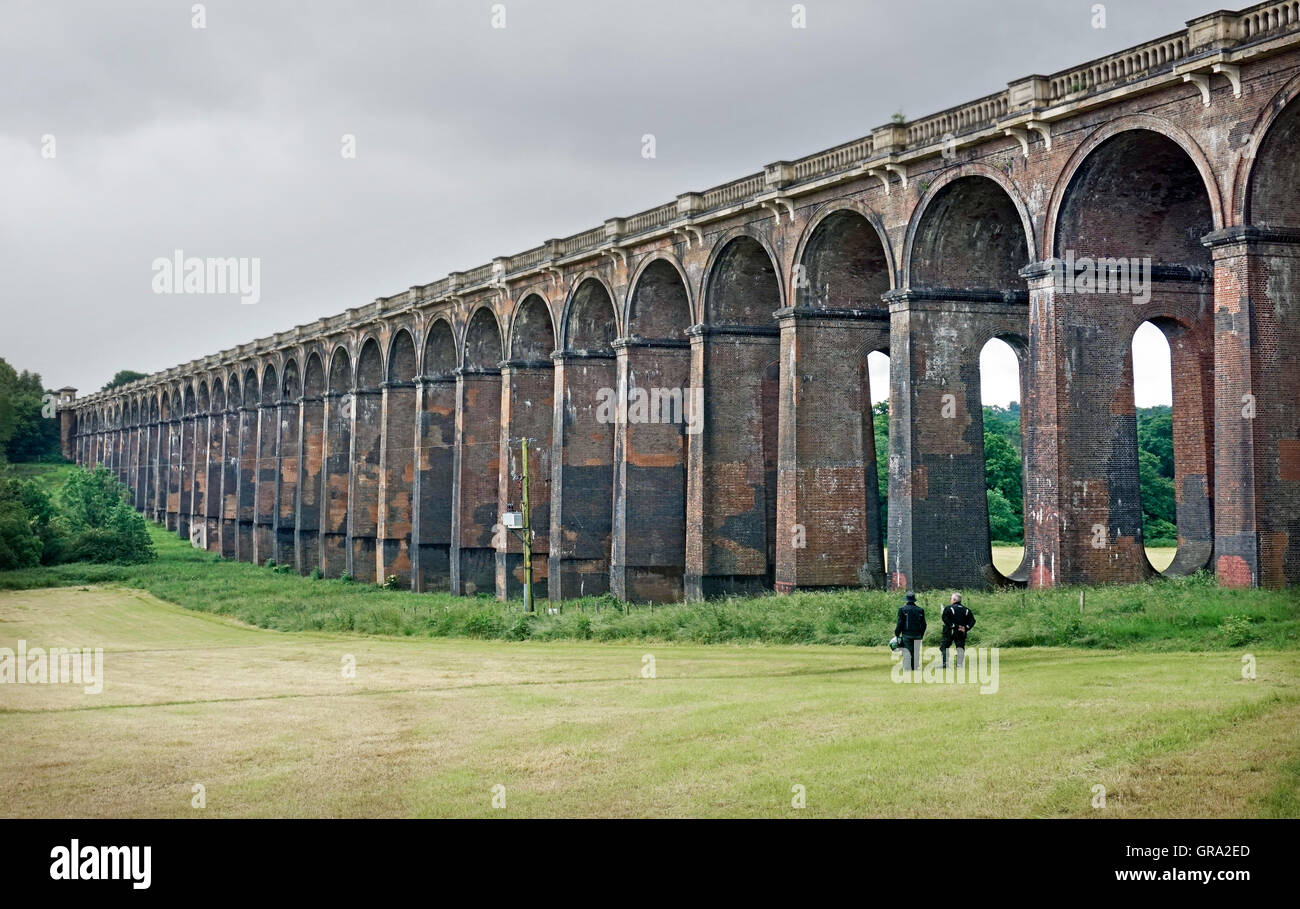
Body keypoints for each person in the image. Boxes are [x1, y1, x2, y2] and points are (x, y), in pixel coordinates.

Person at [941, 591, 976, 669]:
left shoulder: (948, 608)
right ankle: (959, 664)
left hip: (949, 631)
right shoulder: (967, 610)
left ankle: (945, 664)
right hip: (961, 632)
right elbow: (972, 621)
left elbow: (944, 618)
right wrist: (966, 628)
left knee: (944, 647)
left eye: (951, 598)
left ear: (954, 600)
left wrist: (953, 626)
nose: (950, 600)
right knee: (960, 647)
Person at [894, 591, 926, 670]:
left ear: (907, 600)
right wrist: (921, 634)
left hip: (906, 634)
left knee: (907, 651)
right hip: (918, 634)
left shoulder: (902, 609)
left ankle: (907, 667)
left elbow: (900, 622)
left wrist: (897, 633)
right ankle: (915, 666)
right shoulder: (920, 610)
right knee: (916, 651)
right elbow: (924, 624)